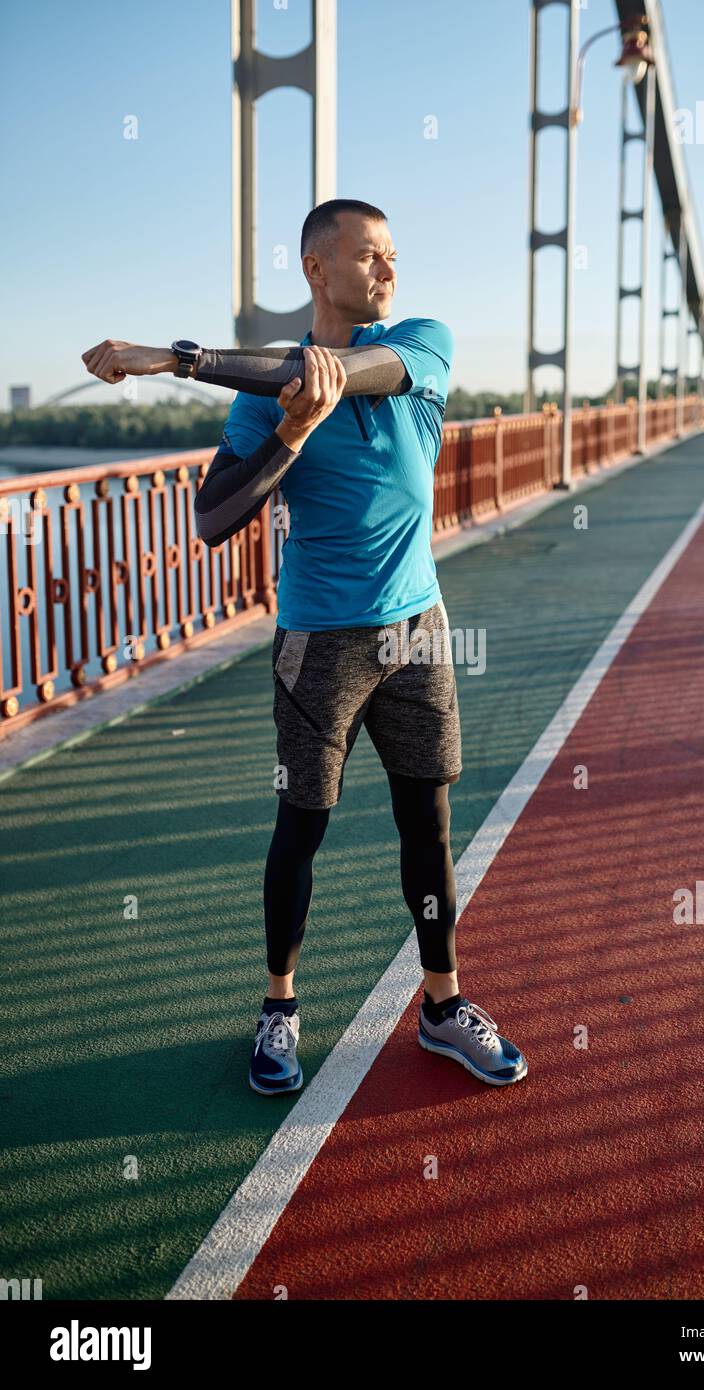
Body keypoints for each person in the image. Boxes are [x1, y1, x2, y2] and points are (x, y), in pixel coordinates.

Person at [81, 198, 527, 1092]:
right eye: (370, 257)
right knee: (303, 827)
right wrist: (289, 429)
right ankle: (279, 1006)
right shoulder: (269, 400)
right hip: (317, 641)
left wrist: (174, 359)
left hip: (417, 629)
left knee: (427, 823)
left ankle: (442, 1006)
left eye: (393, 254)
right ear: (318, 269)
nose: (389, 271)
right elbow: (212, 518)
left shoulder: (421, 344)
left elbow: (340, 369)